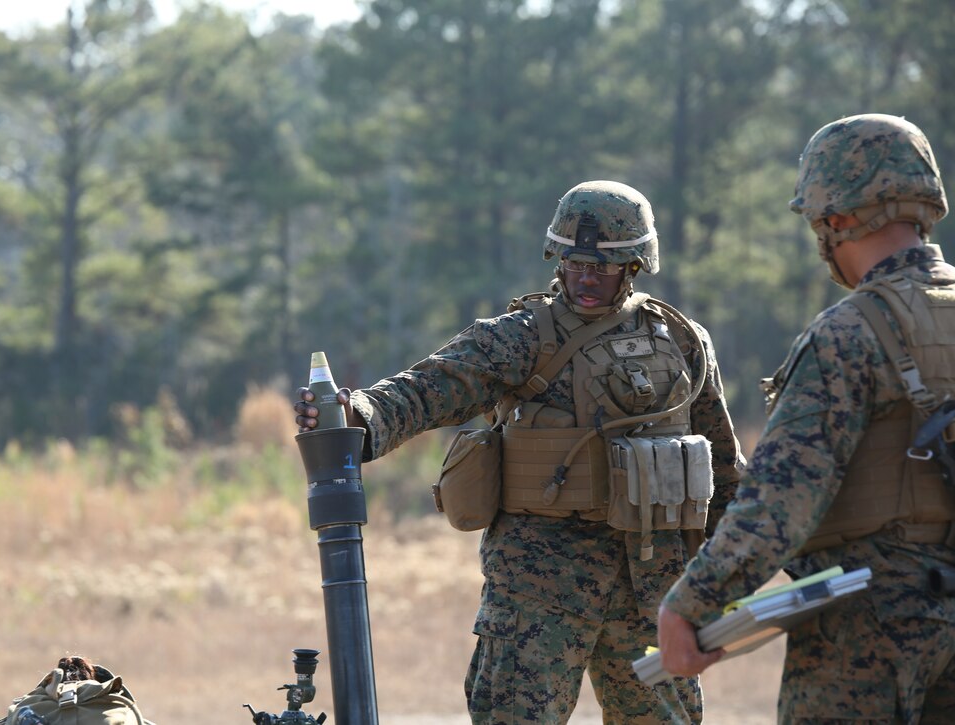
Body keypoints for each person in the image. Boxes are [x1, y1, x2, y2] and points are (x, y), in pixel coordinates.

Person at [295, 180, 744, 724]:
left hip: (652, 586)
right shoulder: (522, 336)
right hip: (539, 587)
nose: (585, 277)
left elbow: (723, 465)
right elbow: (428, 388)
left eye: (602, 267)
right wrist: (357, 415)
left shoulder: (681, 340)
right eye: (574, 263)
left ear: (634, 265)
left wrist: (734, 570)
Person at [657, 113, 955, 722]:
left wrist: (690, 605)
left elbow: (780, 502)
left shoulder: (849, 334)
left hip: (868, 625)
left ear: (836, 219)